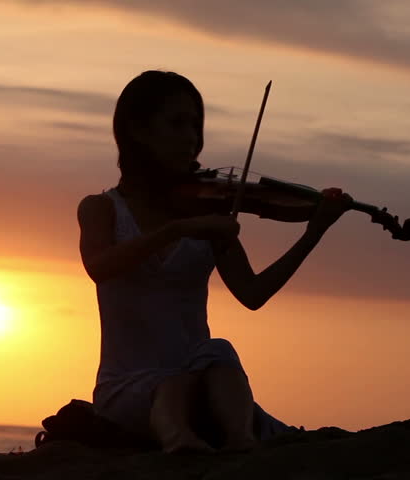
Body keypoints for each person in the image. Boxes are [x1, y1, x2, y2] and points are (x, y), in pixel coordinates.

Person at [76, 70, 352, 454]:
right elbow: (100, 266)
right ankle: (180, 444)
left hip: (205, 386)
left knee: (219, 351)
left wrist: (313, 233)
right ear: (137, 130)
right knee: (170, 386)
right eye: (176, 124)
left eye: (195, 125)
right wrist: (177, 230)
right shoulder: (101, 208)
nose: (191, 138)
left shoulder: (207, 211)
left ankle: (240, 441)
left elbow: (253, 293)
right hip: (129, 388)